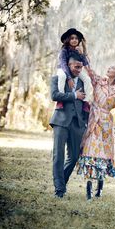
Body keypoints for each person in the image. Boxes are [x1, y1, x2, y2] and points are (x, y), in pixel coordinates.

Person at [77, 62, 115, 200]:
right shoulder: (99, 81)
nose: (108, 68)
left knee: (103, 154)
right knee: (89, 151)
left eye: (112, 68)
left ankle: (99, 188)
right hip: (93, 119)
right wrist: (83, 53)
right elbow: (89, 70)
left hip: (106, 123)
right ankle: (88, 190)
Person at [49, 56, 88, 198]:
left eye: (81, 67)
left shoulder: (84, 82)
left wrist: (86, 123)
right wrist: (74, 95)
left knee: (74, 156)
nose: (79, 70)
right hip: (61, 121)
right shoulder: (58, 78)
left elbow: (87, 103)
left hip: (78, 124)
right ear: (68, 65)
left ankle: (61, 184)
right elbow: (54, 95)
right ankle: (59, 190)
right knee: (58, 156)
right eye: (76, 67)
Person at [56, 28, 92, 111]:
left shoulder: (78, 50)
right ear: (68, 40)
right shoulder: (64, 51)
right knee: (62, 77)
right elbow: (64, 64)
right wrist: (69, 78)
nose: (74, 40)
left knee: (87, 79)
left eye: (76, 38)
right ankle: (60, 100)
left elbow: (86, 63)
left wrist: (81, 54)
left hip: (75, 70)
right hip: (63, 69)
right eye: (72, 38)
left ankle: (86, 102)